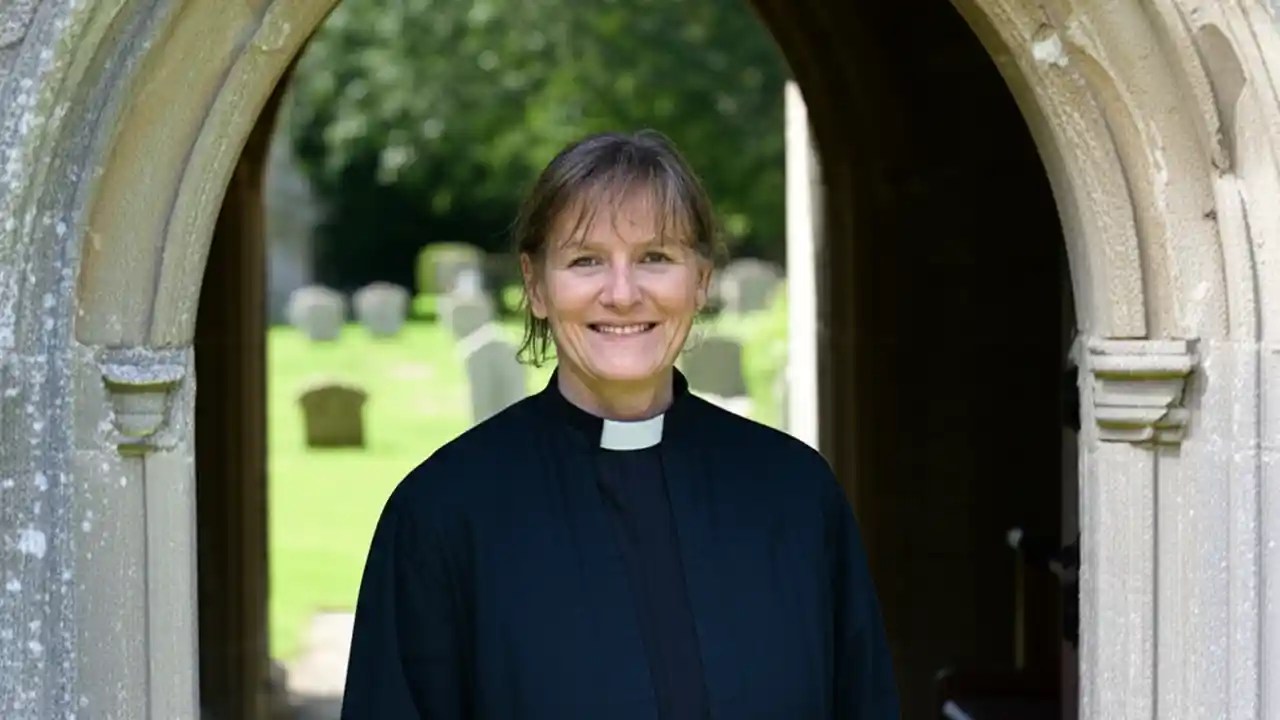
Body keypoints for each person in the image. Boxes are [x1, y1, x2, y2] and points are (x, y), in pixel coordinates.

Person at [340, 130, 899, 719]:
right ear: (535, 285)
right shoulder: (443, 514)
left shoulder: (797, 495)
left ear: (701, 281)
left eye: (655, 258)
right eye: (586, 261)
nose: (623, 293)